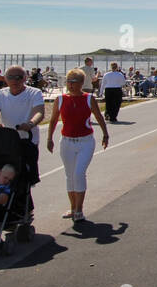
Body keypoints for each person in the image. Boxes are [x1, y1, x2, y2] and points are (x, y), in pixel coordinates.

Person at [45, 67, 109, 222]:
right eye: (68, 81)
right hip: (67, 142)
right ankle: (73, 207)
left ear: (81, 83)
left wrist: (105, 134)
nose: (70, 84)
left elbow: (99, 117)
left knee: (78, 173)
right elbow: (53, 120)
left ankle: (79, 209)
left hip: (85, 142)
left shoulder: (88, 98)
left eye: (74, 81)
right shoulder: (60, 99)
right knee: (70, 175)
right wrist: (49, 138)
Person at [0, 65, 44, 209]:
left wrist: (30, 123)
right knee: (5, 172)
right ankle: (3, 202)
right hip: (7, 140)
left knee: (24, 173)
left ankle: (23, 205)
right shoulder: (0, 94)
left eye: (19, 77)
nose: (15, 80)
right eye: (11, 77)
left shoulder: (34, 93)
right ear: (5, 79)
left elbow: (39, 112)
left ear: (25, 78)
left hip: (27, 140)